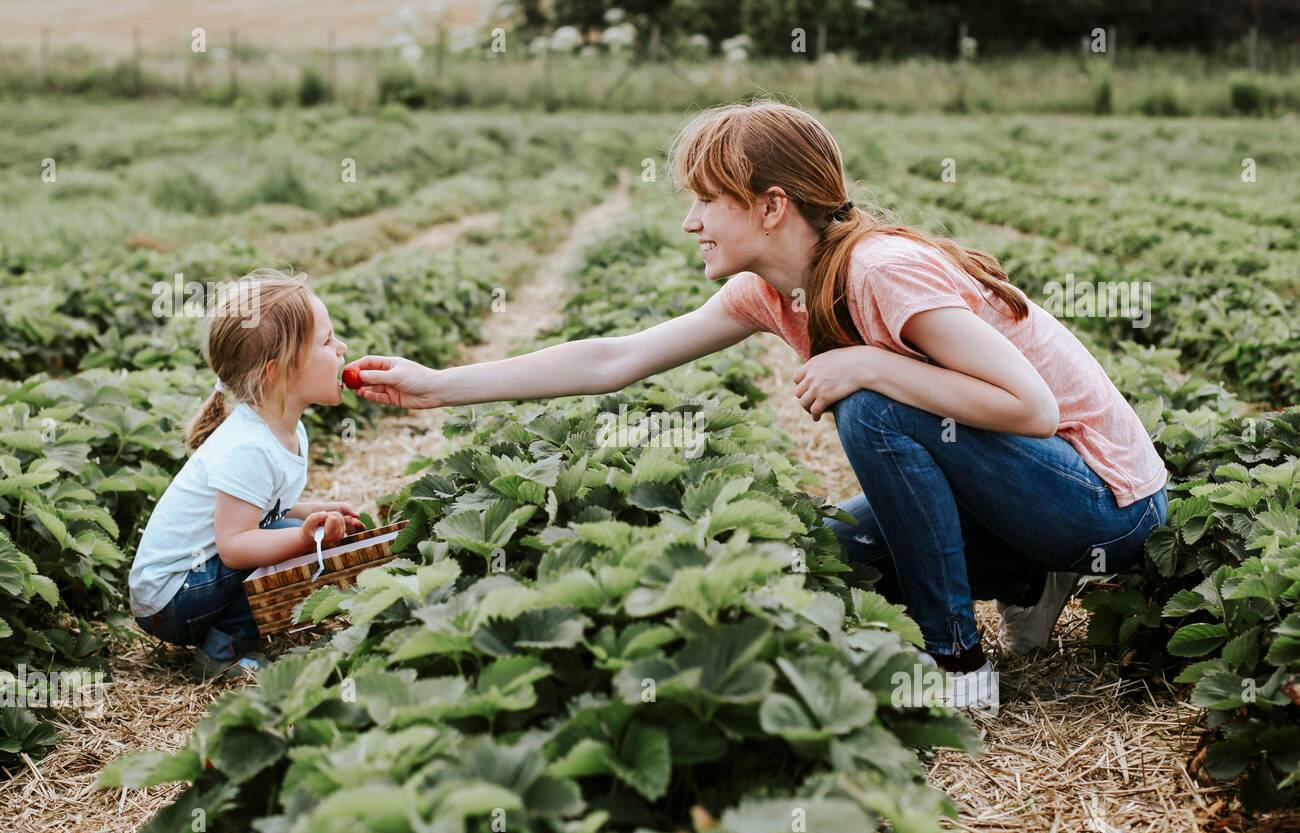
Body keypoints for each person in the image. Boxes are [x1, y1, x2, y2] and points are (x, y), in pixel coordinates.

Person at [342, 102, 1169, 709]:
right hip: (1028, 494)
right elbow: (615, 358)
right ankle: (1027, 574)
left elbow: (1026, 407)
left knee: (873, 408)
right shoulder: (771, 291)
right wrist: (438, 384)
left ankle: (954, 666)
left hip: (1102, 503)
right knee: (834, 550)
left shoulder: (881, 270)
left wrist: (867, 365)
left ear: (771, 206)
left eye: (706, 199)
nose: (688, 221)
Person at [128, 270, 364, 681]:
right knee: (292, 541)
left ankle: (226, 633)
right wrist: (303, 537)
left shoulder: (288, 430)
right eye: (327, 342)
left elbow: (266, 510)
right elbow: (236, 546)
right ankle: (222, 652)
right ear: (278, 372)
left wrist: (315, 511)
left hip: (191, 586)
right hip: (170, 600)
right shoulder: (249, 447)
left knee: (291, 532)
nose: (341, 347)